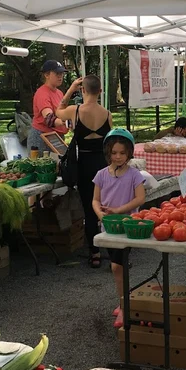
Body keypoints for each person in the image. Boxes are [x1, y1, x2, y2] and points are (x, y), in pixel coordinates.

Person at [56, 75, 112, 268]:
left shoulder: (75, 111)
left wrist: (70, 89)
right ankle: (114, 248)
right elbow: (111, 142)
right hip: (104, 165)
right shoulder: (107, 114)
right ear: (101, 91)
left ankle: (94, 253)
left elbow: (58, 111)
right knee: (108, 205)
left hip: (85, 165)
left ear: (83, 91)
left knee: (90, 209)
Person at [92, 128, 146, 329]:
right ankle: (124, 299)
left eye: (122, 153)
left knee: (117, 266)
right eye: (114, 153)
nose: (118, 156)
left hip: (128, 228)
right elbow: (95, 200)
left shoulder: (134, 175)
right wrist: (100, 214)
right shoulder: (101, 174)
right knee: (117, 267)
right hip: (108, 228)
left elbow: (140, 198)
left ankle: (125, 305)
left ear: (129, 153)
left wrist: (119, 210)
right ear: (108, 153)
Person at [29, 60, 82, 155]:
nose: (60, 76)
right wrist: (67, 123)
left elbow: (62, 111)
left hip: (56, 137)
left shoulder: (59, 93)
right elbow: (49, 119)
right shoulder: (42, 93)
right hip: (42, 138)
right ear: (46, 75)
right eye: (57, 73)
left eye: (62, 73)